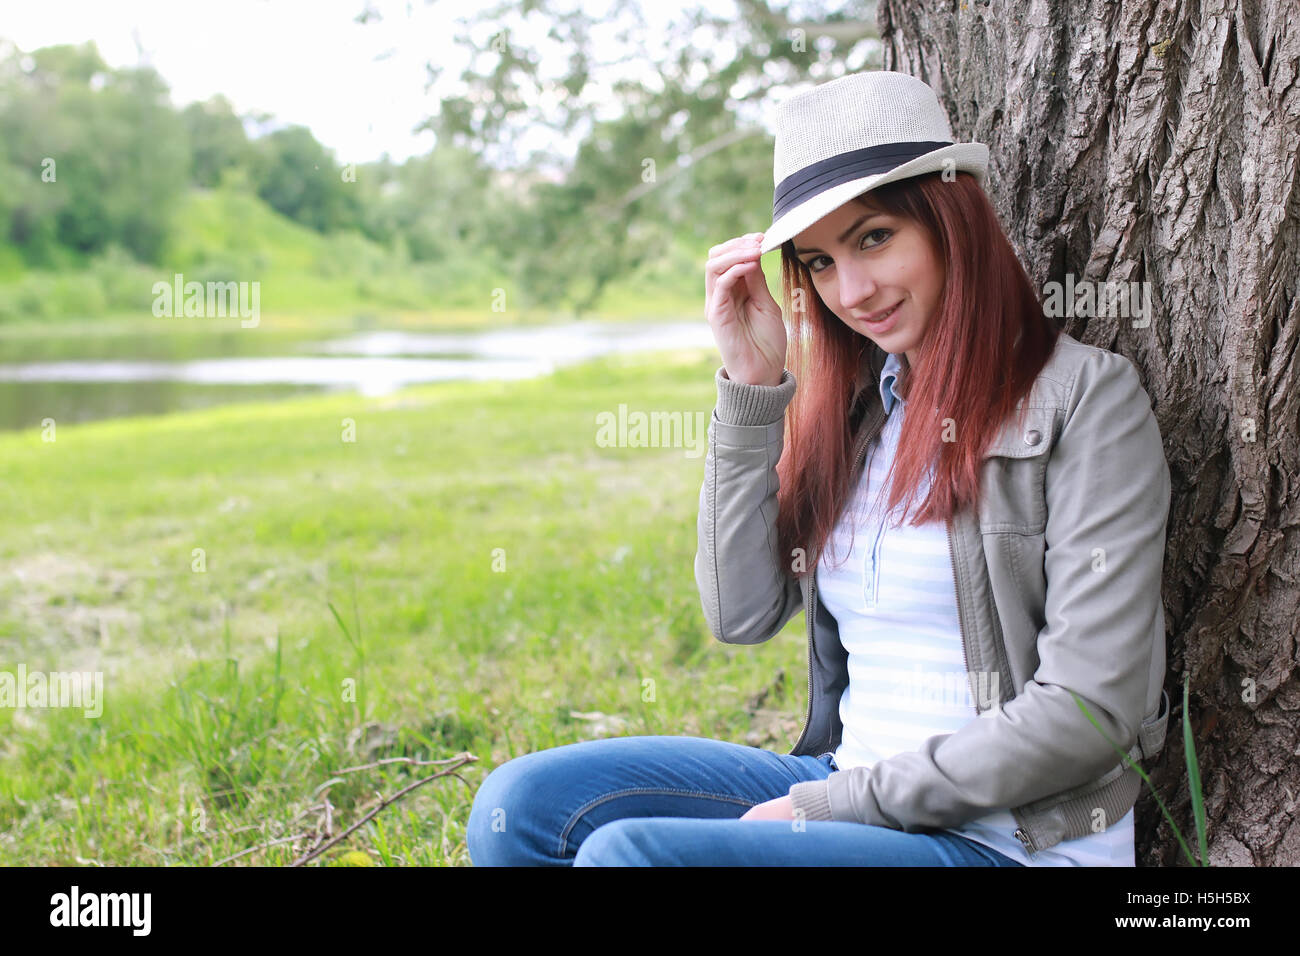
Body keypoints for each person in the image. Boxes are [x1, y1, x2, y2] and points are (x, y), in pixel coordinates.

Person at [465, 70, 1171, 867]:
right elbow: (740, 613)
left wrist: (833, 806)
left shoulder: (1084, 399)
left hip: (1011, 843)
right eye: (820, 263)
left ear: (951, 221)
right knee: (520, 807)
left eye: (874, 237)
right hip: (848, 789)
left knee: (631, 857)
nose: (854, 290)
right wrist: (753, 389)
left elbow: (1086, 710)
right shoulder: (862, 413)